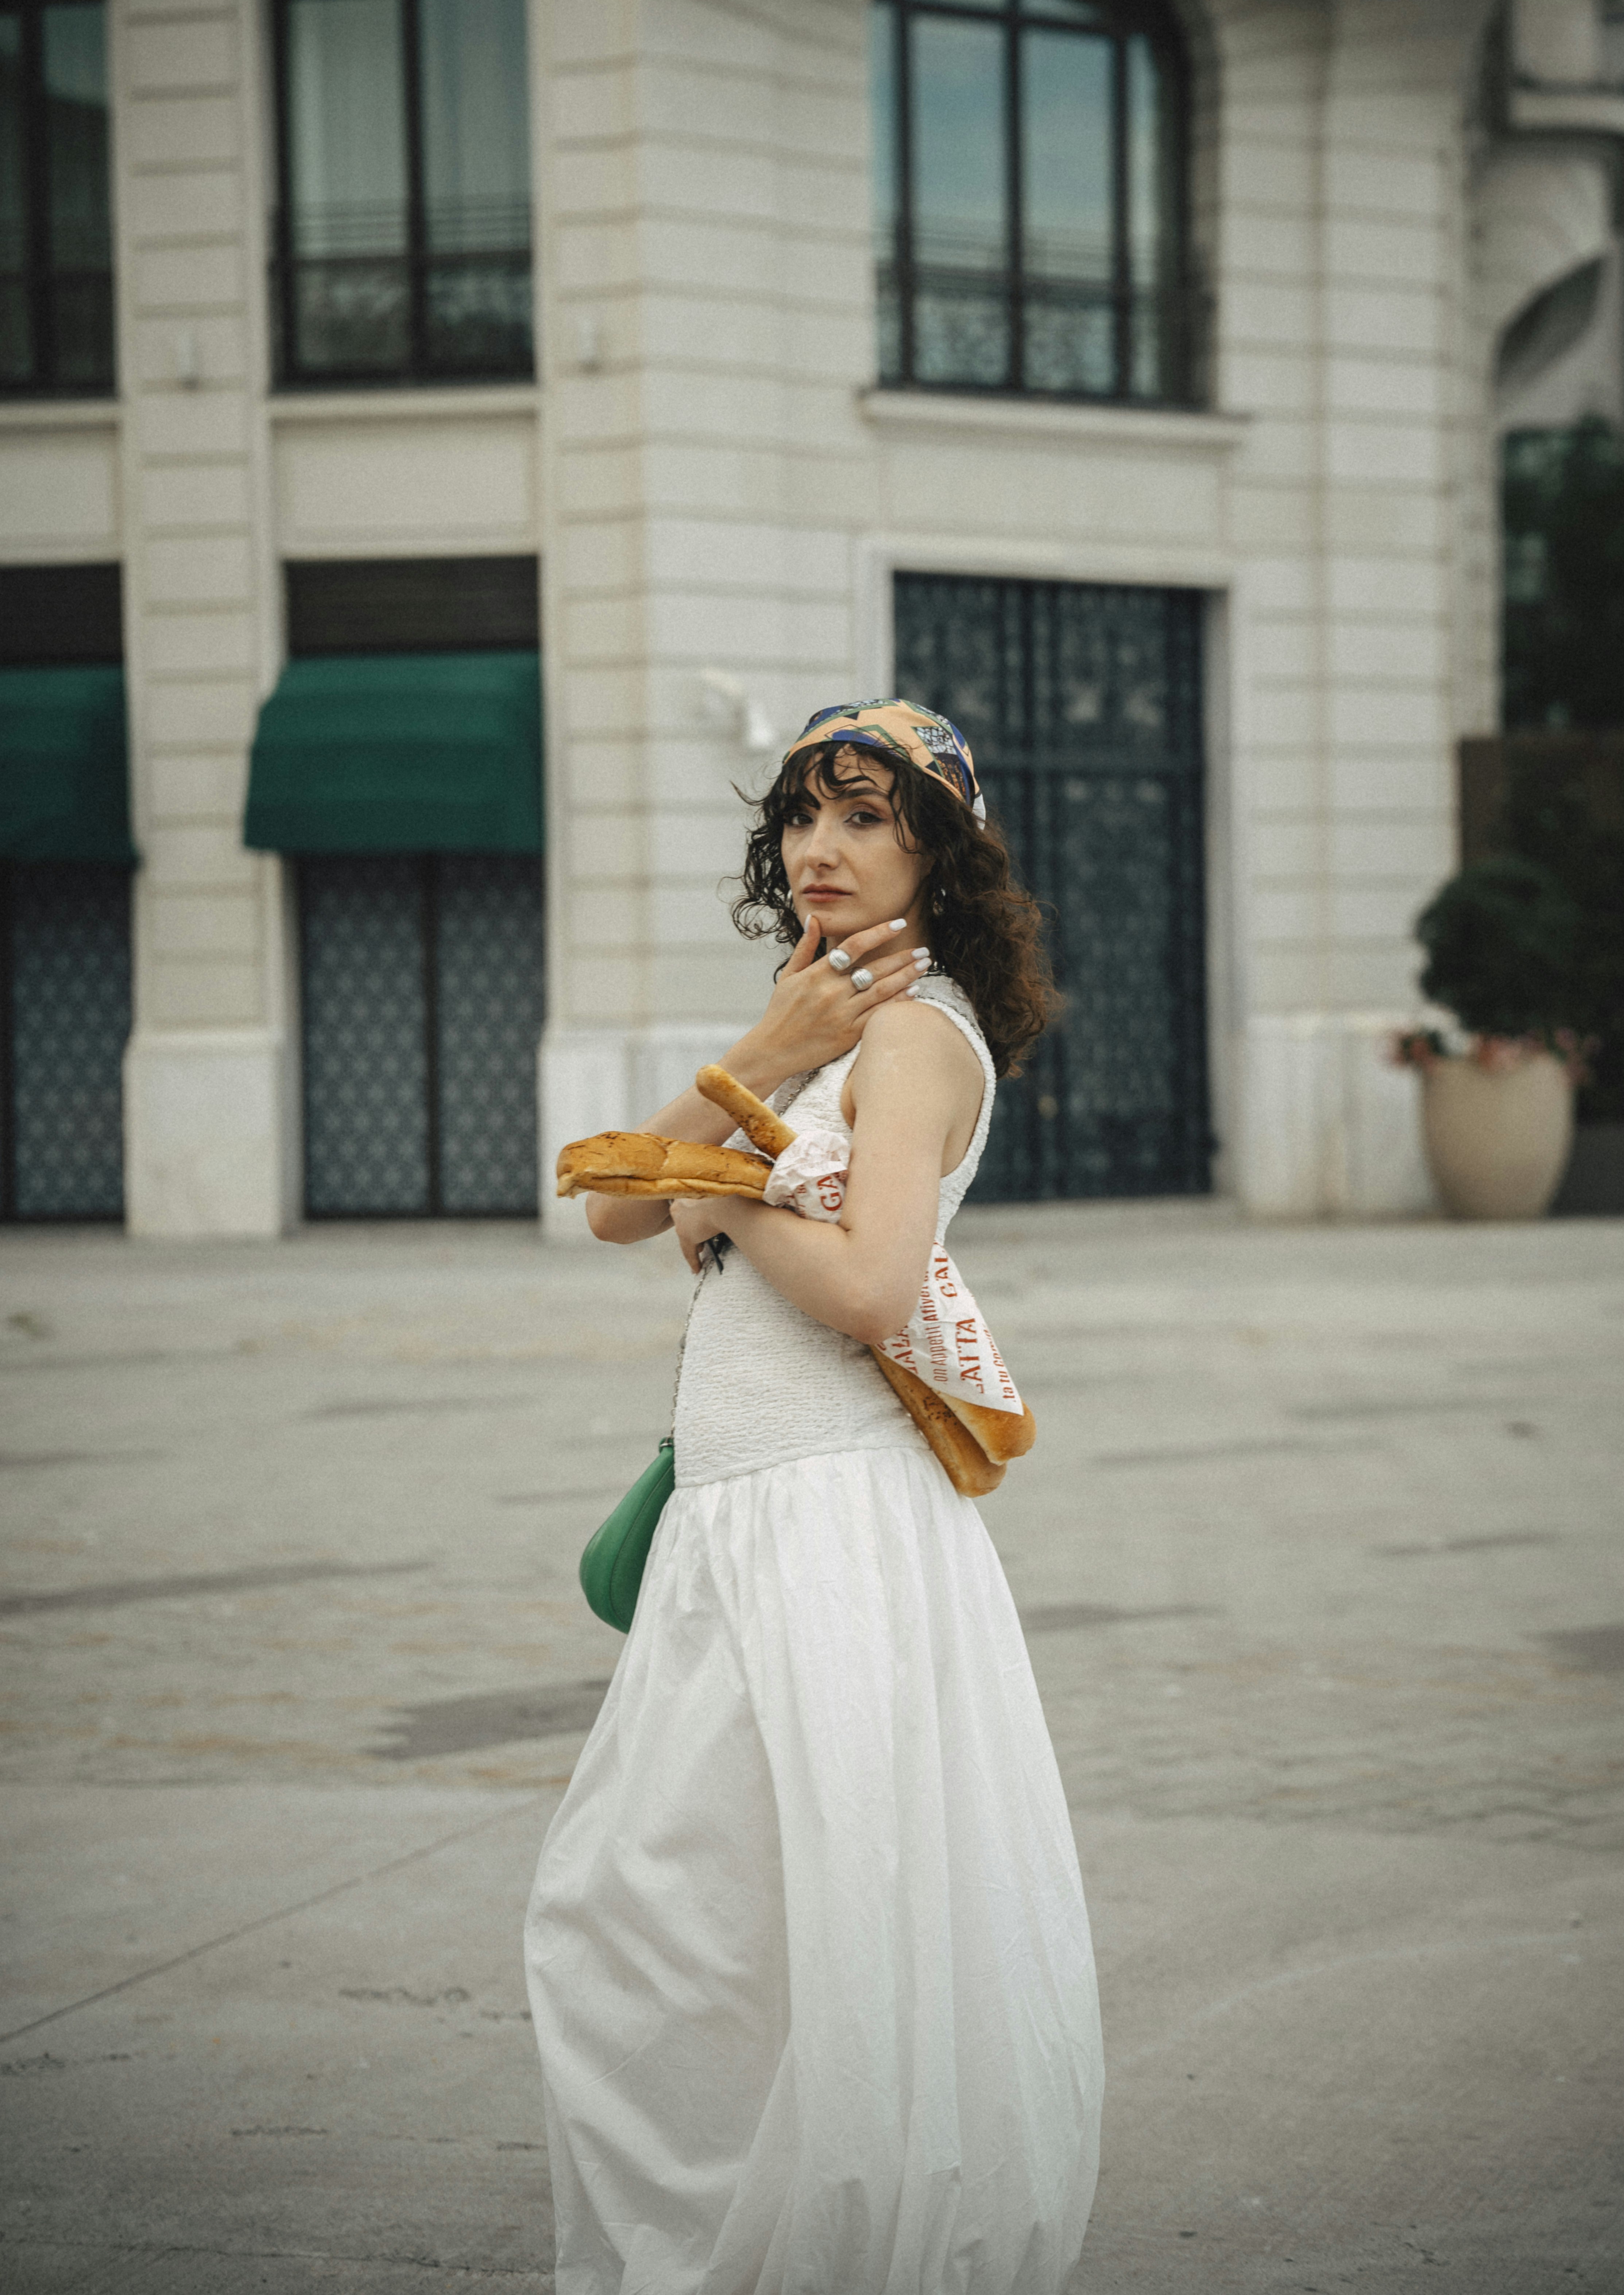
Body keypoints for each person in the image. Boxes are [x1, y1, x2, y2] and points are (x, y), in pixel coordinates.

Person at [525, 701, 1104, 2295]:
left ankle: (825, 2253)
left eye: (863, 817)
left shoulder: (916, 1034)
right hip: (738, 1515)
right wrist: (763, 1063)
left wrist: (728, 1200)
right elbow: (615, 1217)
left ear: (939, 849)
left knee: (756, 1923)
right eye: (801, 817)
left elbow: (865, 1284)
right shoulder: (814, 1012)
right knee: (687, 1915)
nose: (819, 850)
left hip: (829, 1524)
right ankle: (740, 2243)